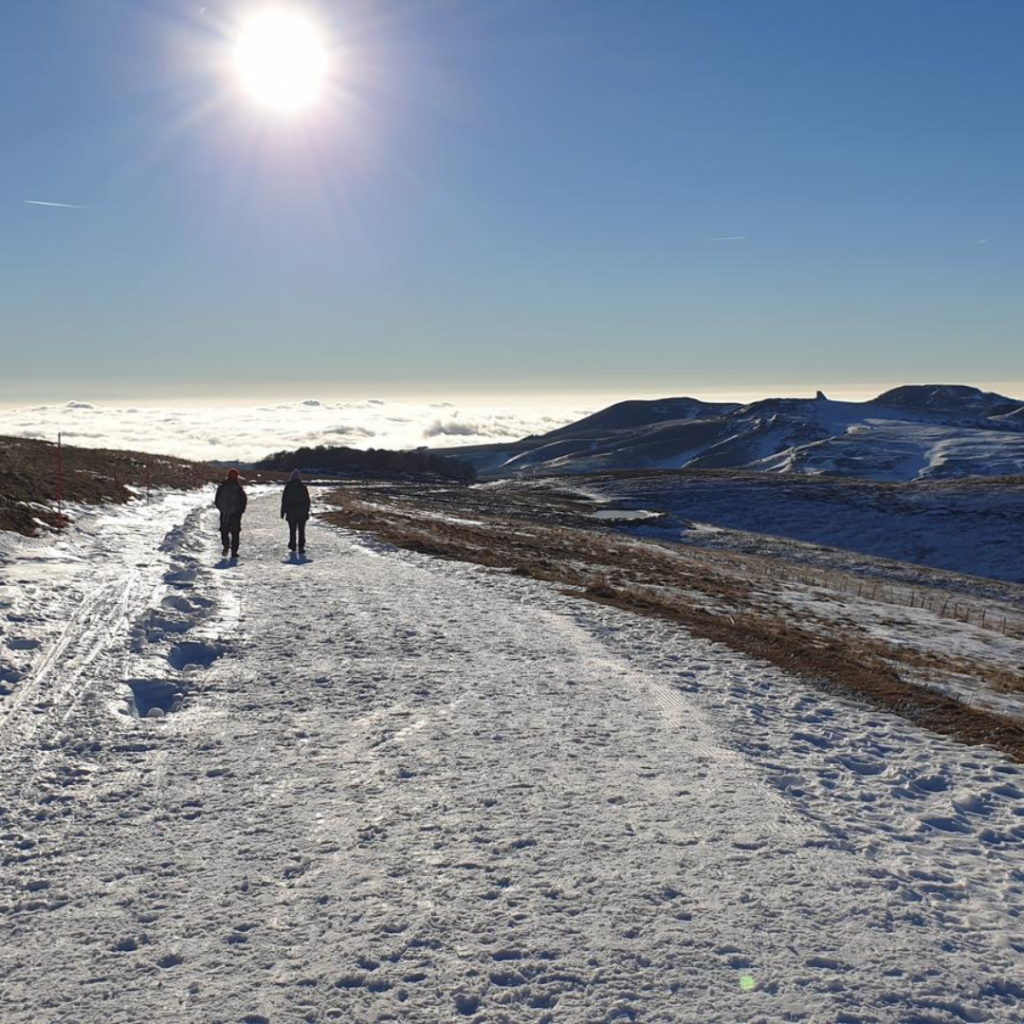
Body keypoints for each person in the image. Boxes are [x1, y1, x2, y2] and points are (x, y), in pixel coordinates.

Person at [214, 468, 247, 558]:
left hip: (224, 513)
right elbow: (243, 500)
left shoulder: (222, 486)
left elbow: (217, 499)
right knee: (235, 532)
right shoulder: (238, 488)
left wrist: (221, 508)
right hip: (236, 513)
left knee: (224, 531)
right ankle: (234, 552)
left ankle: (225, 545)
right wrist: (241, 510)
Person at [281, 469, 311, 554]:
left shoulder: (288, 487)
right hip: (301, 512)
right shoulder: (303, 487)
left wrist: (283, 512)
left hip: (291, 512)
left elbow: (284, 500)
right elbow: (307, 501)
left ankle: (293, 545)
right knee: (301, 530)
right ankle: (301, 546)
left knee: (292, 530)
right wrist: (306, 511)